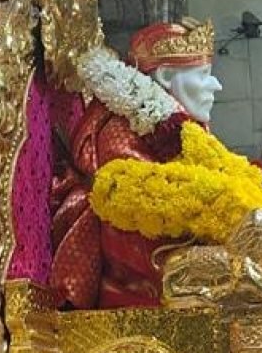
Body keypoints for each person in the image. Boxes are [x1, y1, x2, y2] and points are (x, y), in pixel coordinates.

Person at [49, 18, 222, 309]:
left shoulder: (186, 128)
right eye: (203, 74)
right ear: (166, 76)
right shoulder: (121, 127)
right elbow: (135, 206)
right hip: (133, 271)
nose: (216, 85)